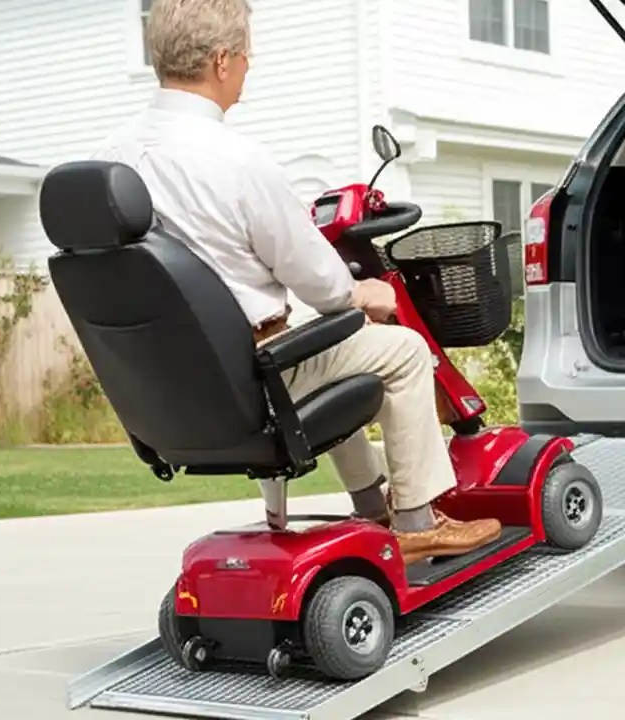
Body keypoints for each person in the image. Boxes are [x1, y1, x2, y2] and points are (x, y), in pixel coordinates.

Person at [91, 0, 500, 565]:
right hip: (252, 376)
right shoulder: (235, 159)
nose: (248, 69)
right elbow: (323, 284)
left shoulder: (109, 161)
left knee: (331, 348)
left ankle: (370, 504)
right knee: (398, 350)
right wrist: (363, 292)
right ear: (222, 61)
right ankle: (416, 521)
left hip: (172, 386)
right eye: (246, 57)